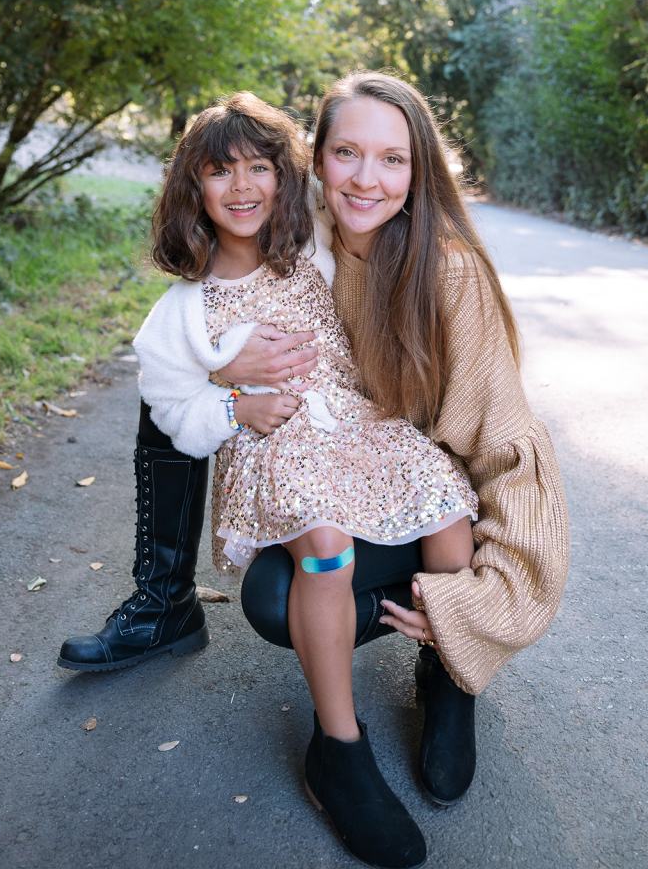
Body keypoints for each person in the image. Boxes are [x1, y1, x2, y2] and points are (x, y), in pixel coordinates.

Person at [58, 70, 568, 834]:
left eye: (392, 159)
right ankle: (326, 733)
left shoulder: (398, 263)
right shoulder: (269, 260)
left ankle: (449, 672)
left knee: (445, 508)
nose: (364, 179)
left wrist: (490, 605)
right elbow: (169, 394)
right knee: (303, 569)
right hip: (291, 453)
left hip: (377, 447)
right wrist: (223, 380)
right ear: (317, 163)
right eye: (345, 154)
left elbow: (502, 441)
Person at [130, 91, 485, 867]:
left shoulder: (311, 247)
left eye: (259, 168)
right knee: (325, 546)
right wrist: (230, 396)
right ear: (191, 189)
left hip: (357, 426)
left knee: (445, 506)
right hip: (276, 445)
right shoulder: (182, 312)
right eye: (218, 171)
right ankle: (338, 745)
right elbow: (173, 412)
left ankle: (449, 670)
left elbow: (370, 210)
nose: (242, 187)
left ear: (285, 179)